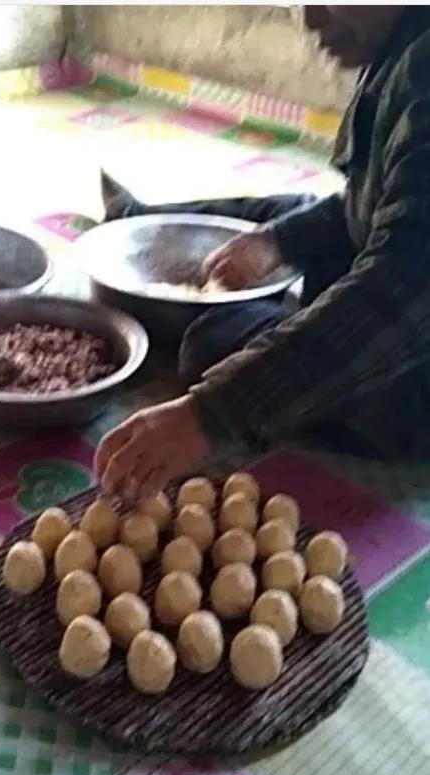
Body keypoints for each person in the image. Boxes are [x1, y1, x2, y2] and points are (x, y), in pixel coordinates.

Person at [96, 6, 430, 503]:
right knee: (285, 217)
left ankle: (290, 330)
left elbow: (404, 290)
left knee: (213, 341)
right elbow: (368, 208)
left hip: (411, 387)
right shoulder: (399, 45)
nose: (311, 17)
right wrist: (274, 244)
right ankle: (138, 214)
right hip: (391, 280)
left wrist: (210, 416)